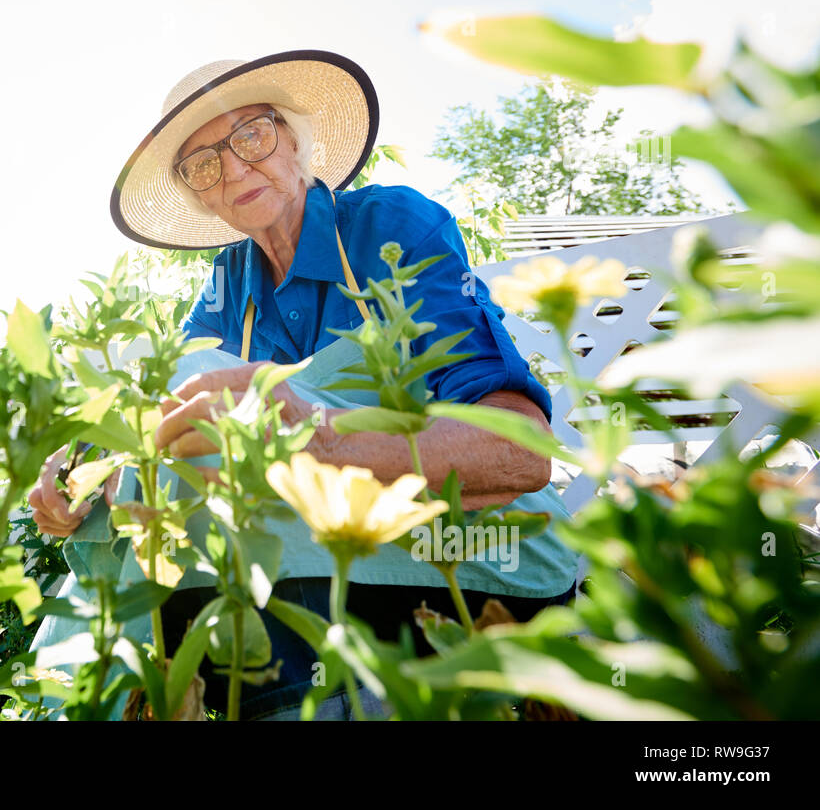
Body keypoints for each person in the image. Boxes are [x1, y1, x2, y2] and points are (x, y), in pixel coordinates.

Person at [28, 50, 579, 720]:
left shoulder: (394, 227)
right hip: (325, 571)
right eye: (203, 164)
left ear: (296, 139)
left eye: (251, 134)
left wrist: (316, 439)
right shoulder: (231, 284)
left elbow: (523, 451)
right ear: (200, 195)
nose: (232, 167)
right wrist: (86, 478)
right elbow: (166, 421)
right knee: (173, 434)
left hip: (471, 558)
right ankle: (87, 702)